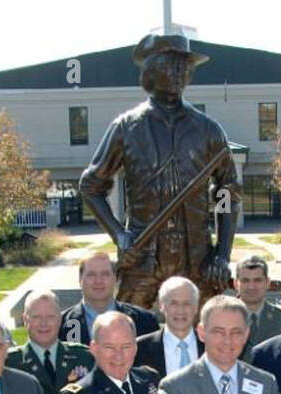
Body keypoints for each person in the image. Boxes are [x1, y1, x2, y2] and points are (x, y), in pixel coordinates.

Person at [79, 32, 240, 310]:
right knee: (124, 336)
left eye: (183, 67)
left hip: (197, 257)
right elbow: (91, 187)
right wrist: (119, 235)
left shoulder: (209, 130)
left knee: (208, 337)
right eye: (169, 65)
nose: (178, 73)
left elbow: (227, 193)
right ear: (151, 72)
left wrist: (222, 255)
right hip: (143, 256)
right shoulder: (126, 127)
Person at [59, 253, 158, 345]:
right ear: (80, 280)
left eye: (105, 274)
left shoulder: (145, 322)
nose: (98, 281)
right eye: (91, 274)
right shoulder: (60, 325)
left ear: (115, 279)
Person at [233, 255, 281, 358]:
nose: (251, 286)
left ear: (267, 283)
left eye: (257, 280)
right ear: (236, 283)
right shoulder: (222, 317)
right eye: (245, 280)